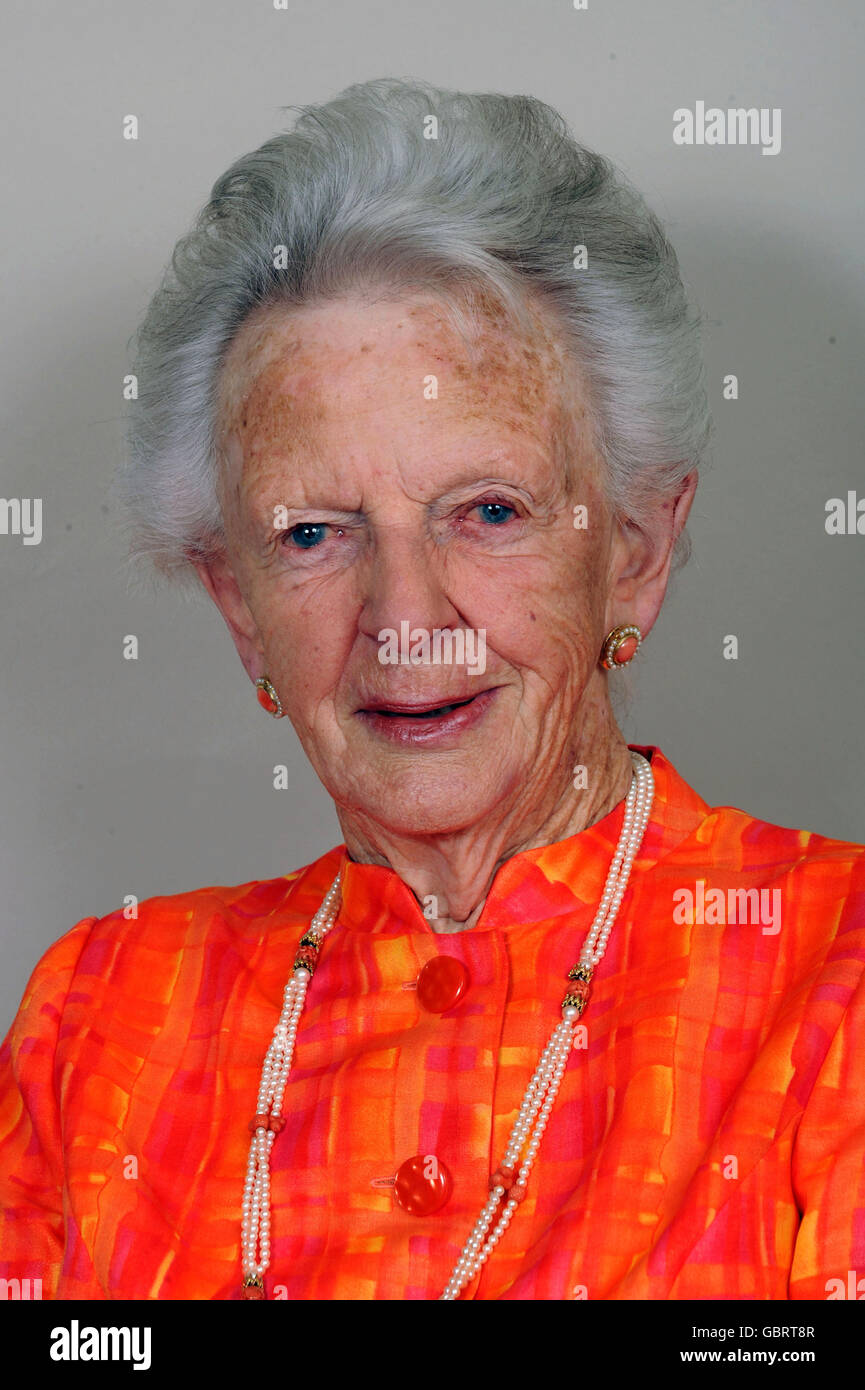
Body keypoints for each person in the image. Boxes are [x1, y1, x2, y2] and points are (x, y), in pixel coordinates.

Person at [1, 77, 862, 1302]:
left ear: (633, 550)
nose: (405, 617)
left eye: (489, 512)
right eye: (312, 535)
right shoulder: (98, 1019)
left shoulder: (837, 980)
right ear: (236, 602)